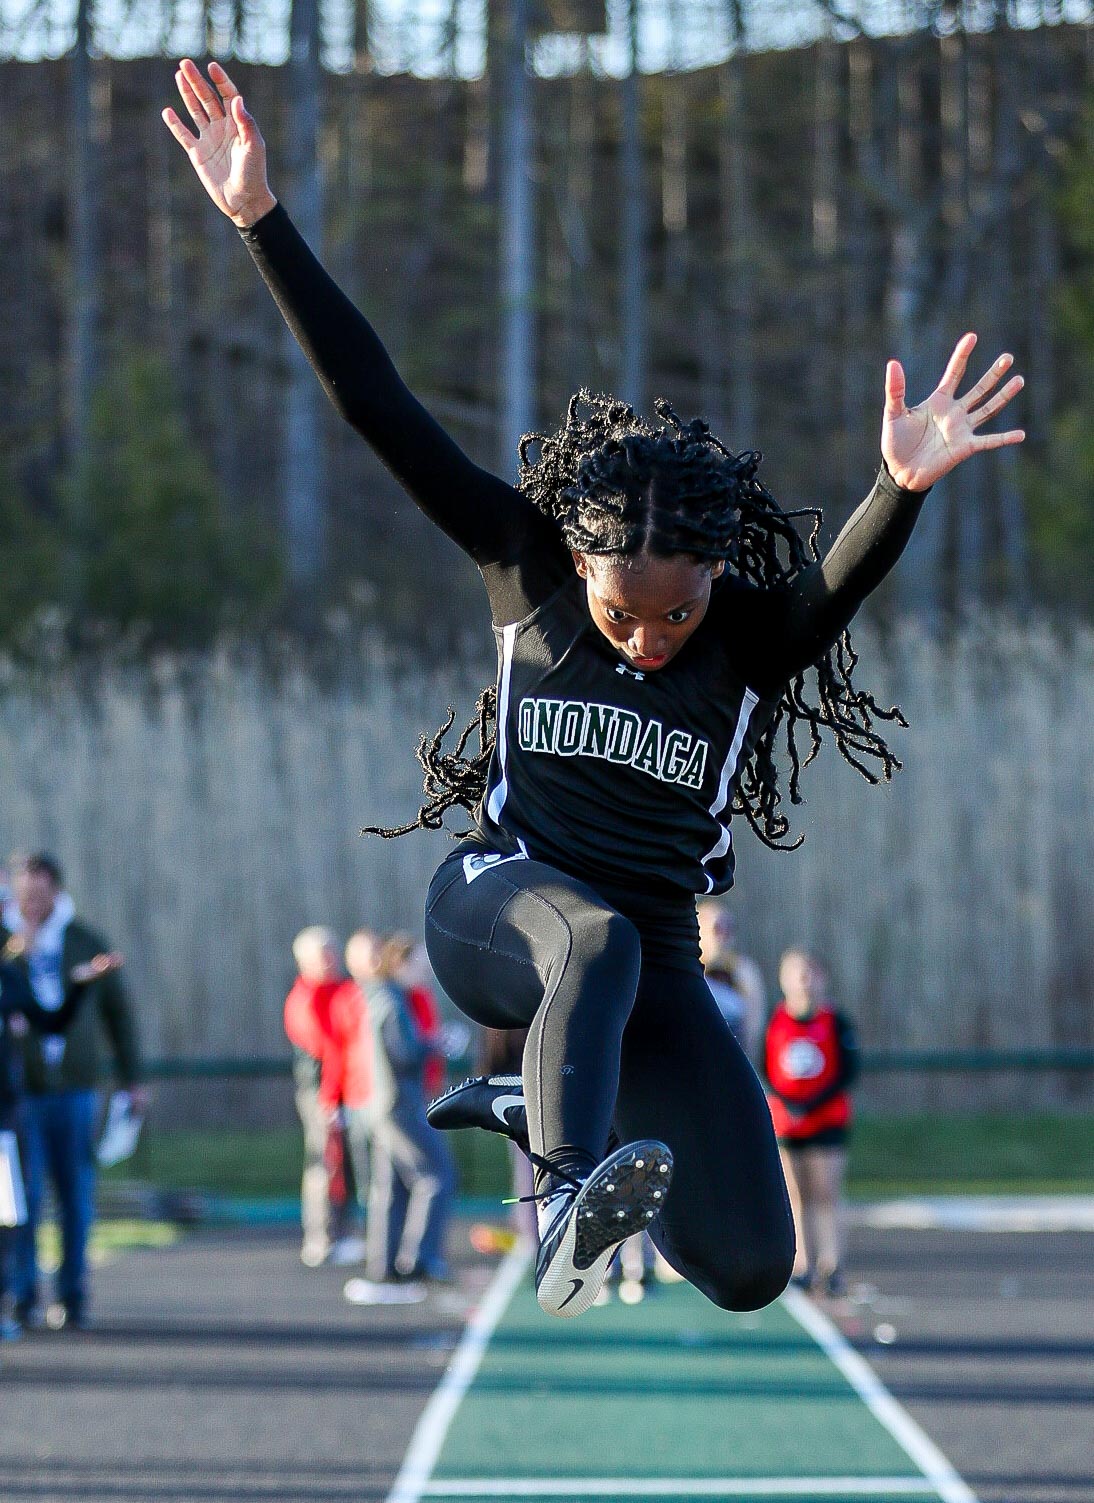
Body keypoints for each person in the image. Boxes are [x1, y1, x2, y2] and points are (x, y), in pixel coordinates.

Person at [163, 59, 1025, 1319]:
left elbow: (833, 586)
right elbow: (374, 402)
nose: (648, 639)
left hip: (649, 967)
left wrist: (897, 487)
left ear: (716, 585)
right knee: (591, 937)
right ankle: (559, 1181)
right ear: (577, 563)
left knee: (748, 1266)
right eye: (623, 612)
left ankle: (558, 1094)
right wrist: (259, 221)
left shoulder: (745, 642)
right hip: (495, 909)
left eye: (677, 614)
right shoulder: (526, 571)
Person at [1, 854, 140, 1331]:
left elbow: (111, 1016)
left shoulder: (83, 941)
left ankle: (73, 1294)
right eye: (24, 897)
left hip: (75, 1090)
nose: (32, 905)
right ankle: (21, 1296)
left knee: (76, 1196)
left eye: (41, 895)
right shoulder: (8, 950)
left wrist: (131, 1077)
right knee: (21, 1201)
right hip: (21, 1098)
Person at [343, 931, 455, 1290]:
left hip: (381, 1104)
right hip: (397, 1104)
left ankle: (385, 1267)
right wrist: (435, 1044)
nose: (424, 971)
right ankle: (420, 1261)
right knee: (437, 1175)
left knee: (390, 1188)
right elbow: (403, 1055)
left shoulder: (381, 998)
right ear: (400, 964)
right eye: (418, 964)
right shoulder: (390, 1001)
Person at [763, 950, 859, 1296]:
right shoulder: (776, 1021)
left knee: (826, 1193)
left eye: (810, 973)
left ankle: (831, 1264)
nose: (803, 981)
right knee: (796, 1195)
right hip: (788, 1123)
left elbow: (847, 1072)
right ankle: (803, 1263)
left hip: (827, 1120)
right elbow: (766, 1067)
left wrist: (813, 1103)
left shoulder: (835, 1021)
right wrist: (789, 1104)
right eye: (796, 973)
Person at [283, 925, 364, 1266]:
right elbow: (326, 1047)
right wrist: (330, 1098)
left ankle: (343, 1232)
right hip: (321, 1092)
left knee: (343, 1163)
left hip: (347, 1089)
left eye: (332, 952)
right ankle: (321, 1238)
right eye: (322, 955)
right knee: (323, 1163)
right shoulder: (305, 999)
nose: (330, 960)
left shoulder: (343, 990)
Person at [697, 900, 765, 1057]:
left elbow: (753, 1029)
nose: (724, 936)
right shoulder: (685, 973)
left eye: (729, 929)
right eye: (717, 928)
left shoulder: (744, 972)